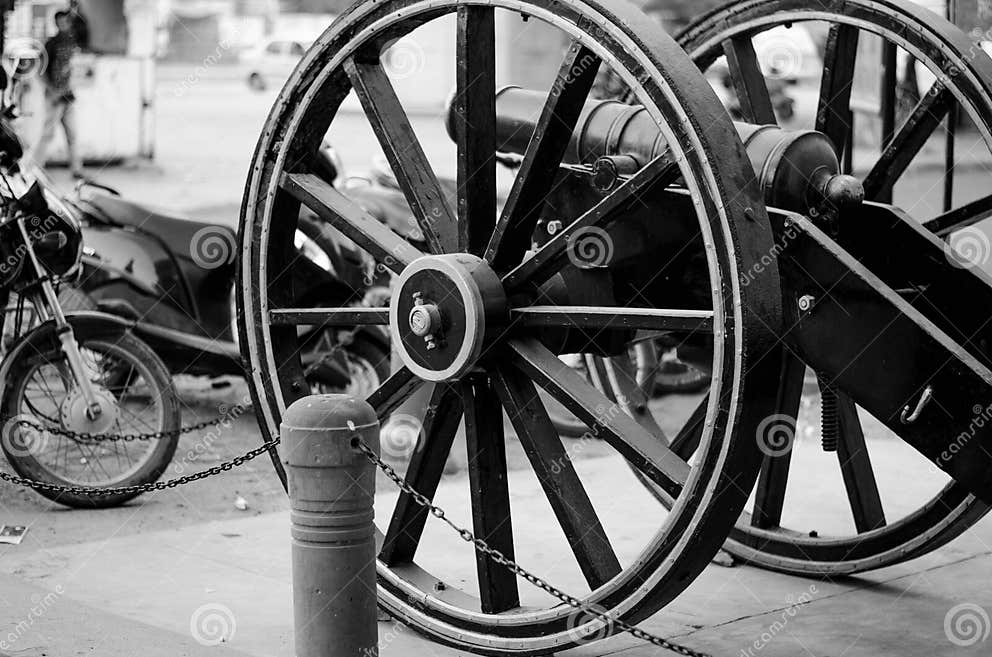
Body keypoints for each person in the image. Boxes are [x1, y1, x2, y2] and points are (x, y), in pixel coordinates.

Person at [32, 10, 83, 178]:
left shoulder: (74, 42)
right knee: (48, 134)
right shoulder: (51, 44)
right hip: (54, 97)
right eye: (60, 22)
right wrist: (52, 90)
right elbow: (39, 71)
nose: (63, 25)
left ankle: (77, 170)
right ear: (56, 23)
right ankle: (36, 169)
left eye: (65, 21)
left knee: (73, 135)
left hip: (68, 96)